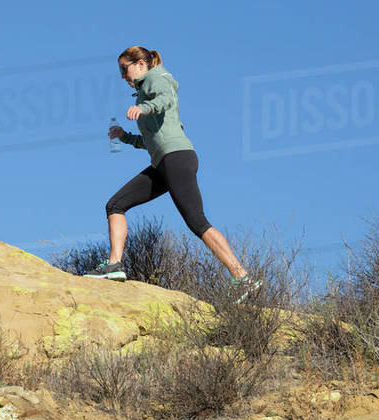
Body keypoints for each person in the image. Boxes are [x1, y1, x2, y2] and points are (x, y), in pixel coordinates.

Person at [84, 46, 261, 302]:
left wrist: (145, 109)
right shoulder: (142, 94)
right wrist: (125, 137)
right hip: (163, 162)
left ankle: (242, 277)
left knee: (197, 221)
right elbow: (151, 140)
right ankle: (114, 266)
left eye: (125, 69)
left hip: (177, 158)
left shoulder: (158, 77)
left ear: (142, 63)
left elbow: (166, 98)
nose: (123, 75)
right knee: (115, 205)